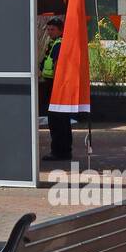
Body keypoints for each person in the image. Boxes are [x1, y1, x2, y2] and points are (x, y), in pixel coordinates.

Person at [40, 17, 72, 160]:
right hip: (53, 85)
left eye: (52, 29)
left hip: (56, 87)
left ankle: (59, 152)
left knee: (57, 120)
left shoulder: (59, 44)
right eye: (48, 29)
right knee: (61, 119)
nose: (49, 32)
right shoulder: (54, 43)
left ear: (60, 30)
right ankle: (63, 151)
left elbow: (58, 65)